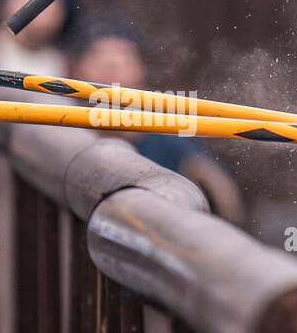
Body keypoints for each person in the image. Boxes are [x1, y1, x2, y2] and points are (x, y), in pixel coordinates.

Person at [71, 22, 245, 224]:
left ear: (141, 69)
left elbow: (224, 200)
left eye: (124, 56)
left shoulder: (170, 131)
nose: (111, 65)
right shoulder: (59, 123)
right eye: (97, 55)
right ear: (75, 67)